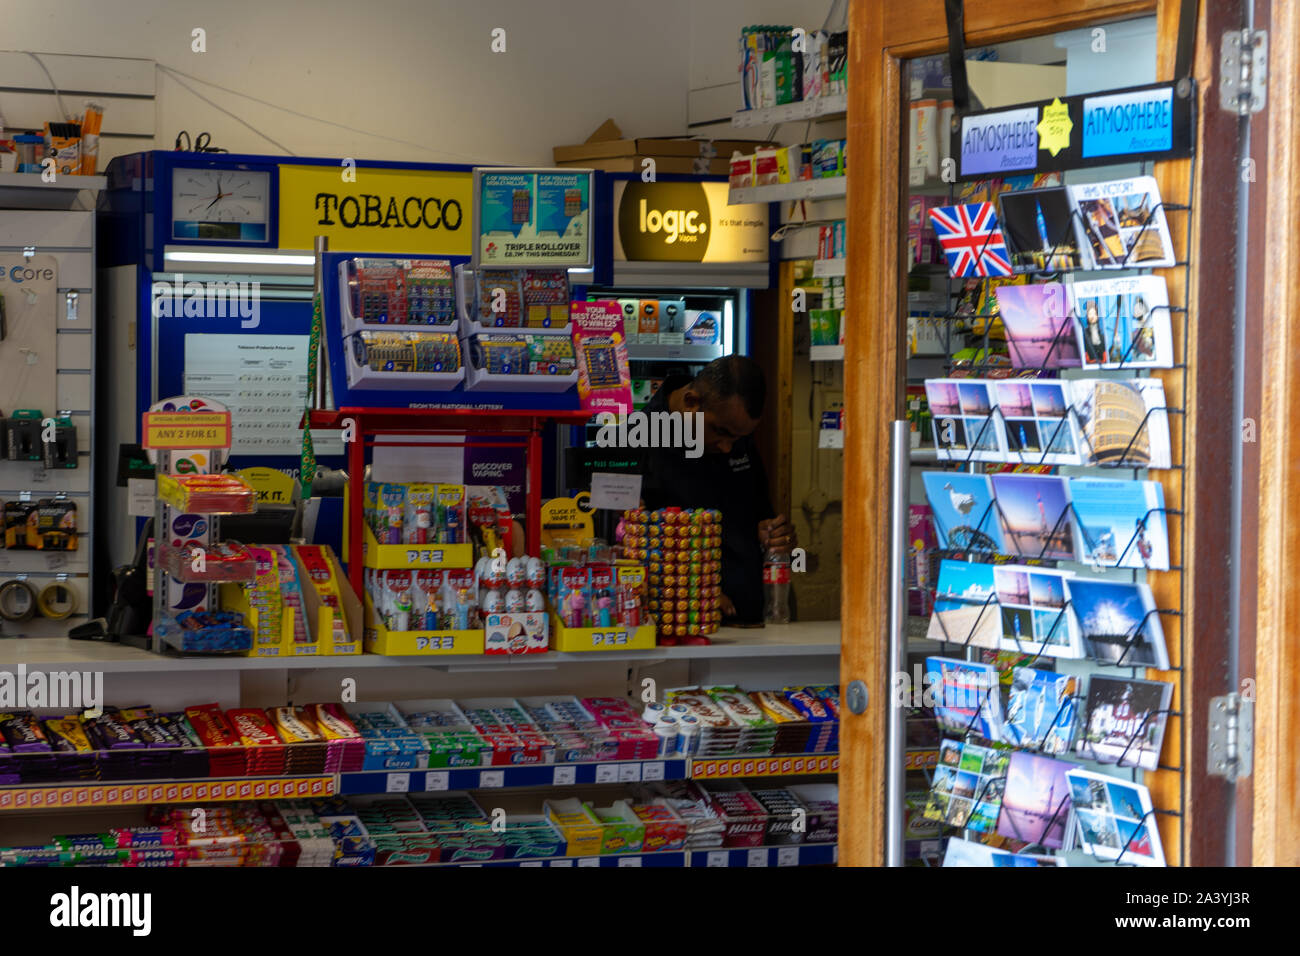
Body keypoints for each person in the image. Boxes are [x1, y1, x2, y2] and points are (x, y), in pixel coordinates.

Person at [635, 355, 796, 628]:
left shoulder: (733, 435)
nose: (727, 448)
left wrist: (773, 535)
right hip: (681, 630)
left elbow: (758, 514)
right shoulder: (636, 442)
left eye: (738, 438)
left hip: (755, 623)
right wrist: (697, 591)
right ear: (690, 402)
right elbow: (629, 550)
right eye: (720, 432)